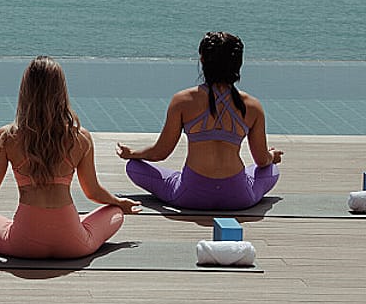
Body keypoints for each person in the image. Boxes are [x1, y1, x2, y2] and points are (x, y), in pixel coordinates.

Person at [0, 56, 139, 259]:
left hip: (23, 243)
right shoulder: (81, 137)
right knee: (115, 213)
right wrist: (119, 202)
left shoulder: (7, 137)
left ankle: (52, 225)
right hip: (73, 244)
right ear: (61, 91)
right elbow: (93, 192)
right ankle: (72, 222)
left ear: (25, 91)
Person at [117, 31, 281, 210]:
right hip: (238, 197)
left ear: (202, 59)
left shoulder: (183, 100)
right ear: (238, 63)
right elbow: (261, 160)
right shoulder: (252, 105)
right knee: (271, 169)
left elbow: (160, 153)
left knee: (134, 167)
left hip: (190, 195)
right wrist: (271, 156)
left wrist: (132, 154)